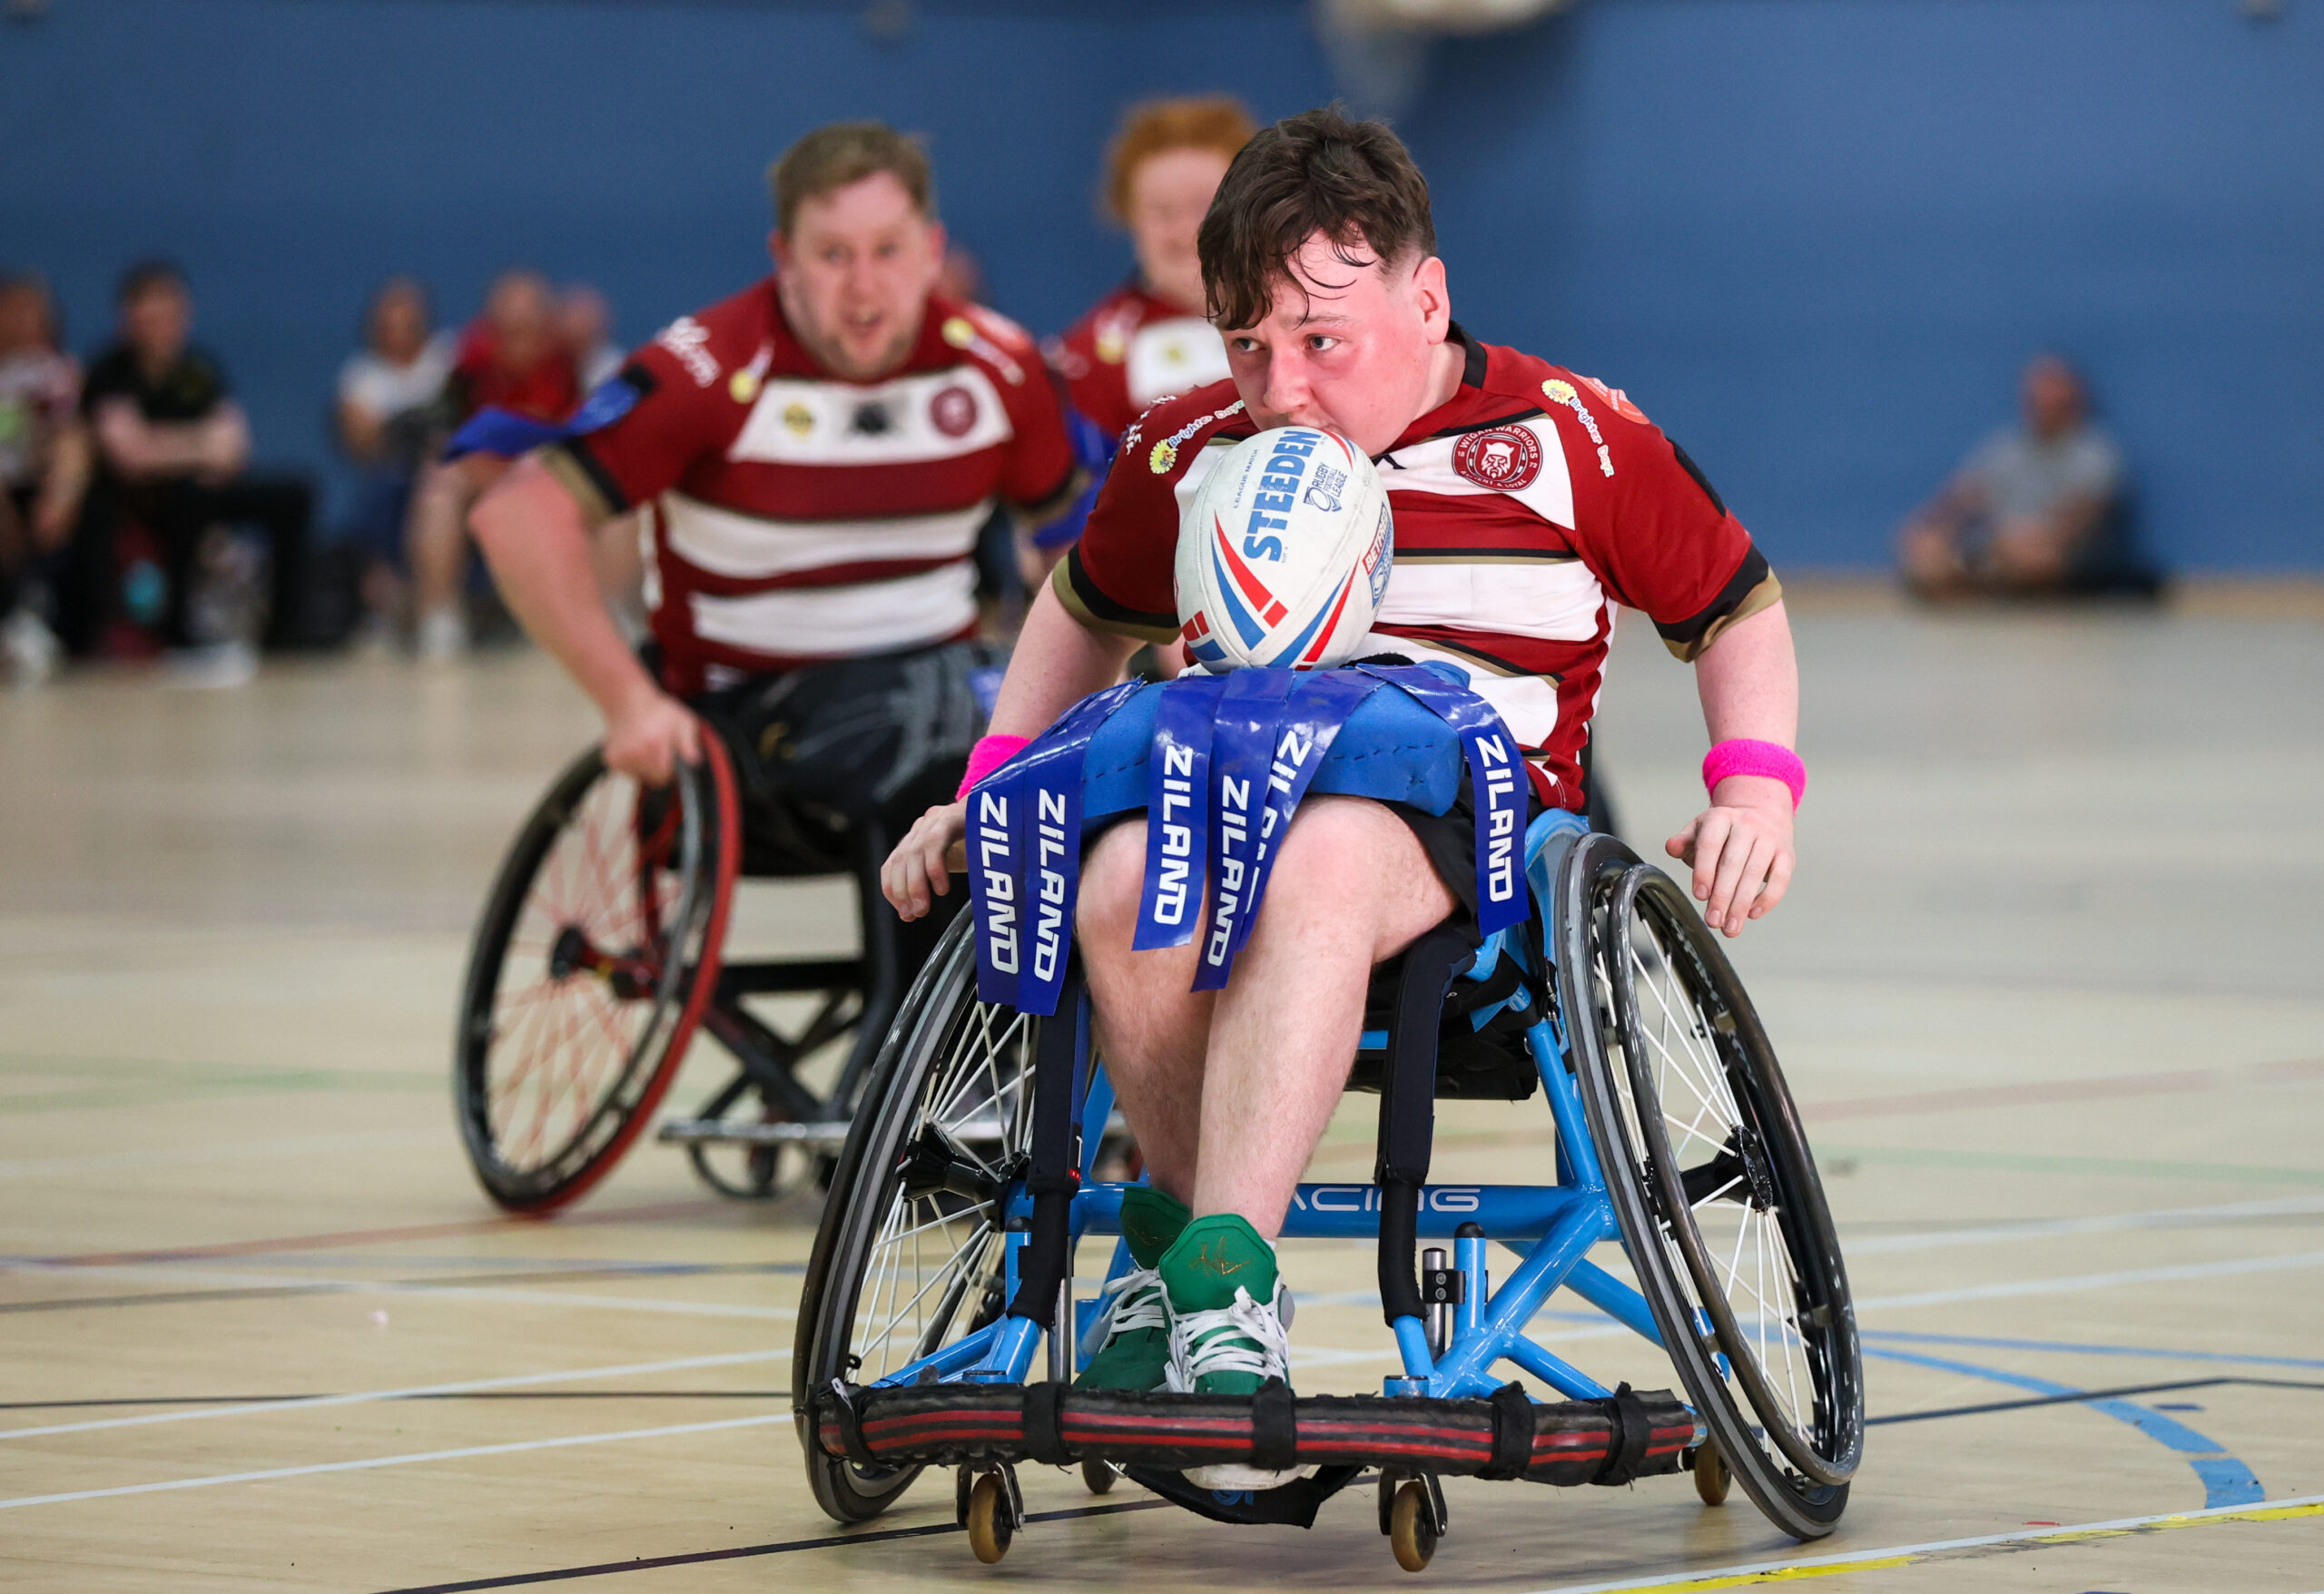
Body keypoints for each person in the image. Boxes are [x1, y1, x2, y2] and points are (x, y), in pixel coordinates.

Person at [881, 109, 1800, 1489]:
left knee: (1319, 851)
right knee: (1115, 884)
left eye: (1323, 341)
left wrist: (1756, 792)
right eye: (1248, 346)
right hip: (1219, 810)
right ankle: (1177, 1260)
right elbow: (1075, 617)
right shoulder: (1194, 447)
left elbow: (1736, 611)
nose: (1283, 387)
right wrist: (987, 792)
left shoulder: (1569, 437)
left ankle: (1219, 1279)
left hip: (1478, 843)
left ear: (1426, 300)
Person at [468, 121, 1084, 983]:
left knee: (1078, 732)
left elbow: (1077, 552)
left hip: (940, 698)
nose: (864, 287)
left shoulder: (999, 368)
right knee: (952, 716)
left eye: (888, 250)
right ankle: (940, 1075)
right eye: (832, 254)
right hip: (744, 741)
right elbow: (515, 514)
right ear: (782, 255)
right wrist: (626, 704)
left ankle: (1060, 1043)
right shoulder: (708, 370)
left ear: (932, 251)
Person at [78, 260, 316, 667]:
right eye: (150, 312)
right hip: (136, 499)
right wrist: (197, 444)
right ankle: (178, 632)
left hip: (201, 488)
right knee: (185, 500)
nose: (162, 323)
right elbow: (130, 457)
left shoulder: (199, 370)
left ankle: (284, 632)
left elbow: (235, 444)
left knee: (294, 494)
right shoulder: (109, 372)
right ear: (129, 317)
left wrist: (166, 445)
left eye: (171, 311)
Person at [408, 269, 579, 659]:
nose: (518, 327)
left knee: (617, 492)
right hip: (484, 473)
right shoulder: (467, 362)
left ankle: (610, 615)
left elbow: (580, 438)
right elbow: (443, 437)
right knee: (437, 489)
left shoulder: (569, 360)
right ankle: (439, 618)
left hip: (551, 475)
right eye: (508, 320)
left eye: (528, 318)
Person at [1898, 353, 2156, 598]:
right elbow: (1963, 496)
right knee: (1928, 552)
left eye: (2051, 387)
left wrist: (2026, 538)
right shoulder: (2004, 448)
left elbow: (2082, 517)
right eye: (2035, 388)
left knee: (2032, 556)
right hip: (1995, 548)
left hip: (2059, 554)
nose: (2041, 397)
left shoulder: (2097, 453)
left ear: (2073, 395)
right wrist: (1932, 527)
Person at [335, 276, 455, 644]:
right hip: (393, 480)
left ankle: (444, 609)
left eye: (408, 320)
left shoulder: (447, 359)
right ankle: (391, 607)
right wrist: (402, 431)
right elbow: (360, 439)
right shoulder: (362, 375)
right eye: (389, 323)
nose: (399, 331)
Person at [0, 274, 90, 684]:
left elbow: (71, 436)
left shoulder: (57, 372)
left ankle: (42, 619)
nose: (23, 321)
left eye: (34, 312)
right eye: (13, 309)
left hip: (37, 486)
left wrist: (61, 496)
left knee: (75, 486)